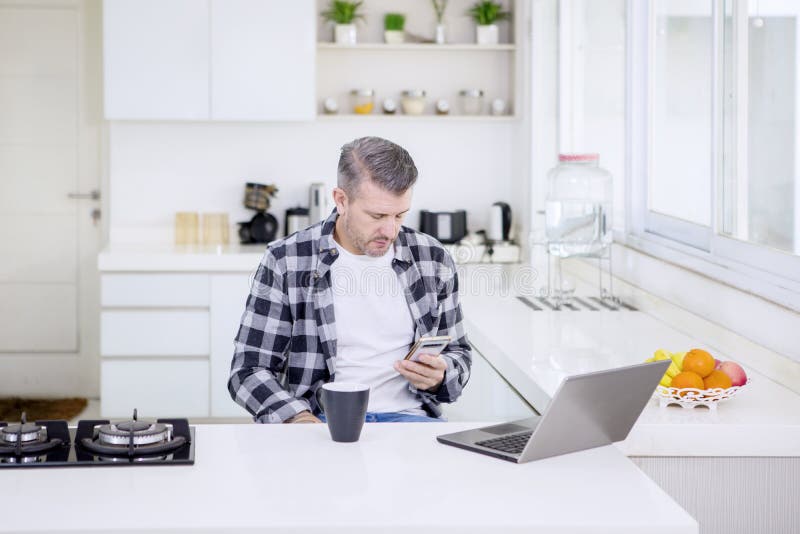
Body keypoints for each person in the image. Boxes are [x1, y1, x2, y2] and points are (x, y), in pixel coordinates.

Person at [228, 136, 471, 423]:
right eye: (377, 215)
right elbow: (248, 371)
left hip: (410, 419)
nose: (390, 230)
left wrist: (441, 375)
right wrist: (297, 418)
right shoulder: (287, 260)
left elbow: (458, 354)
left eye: (400, 215)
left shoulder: (432, 258)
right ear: (341, 200)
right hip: (320, 419)